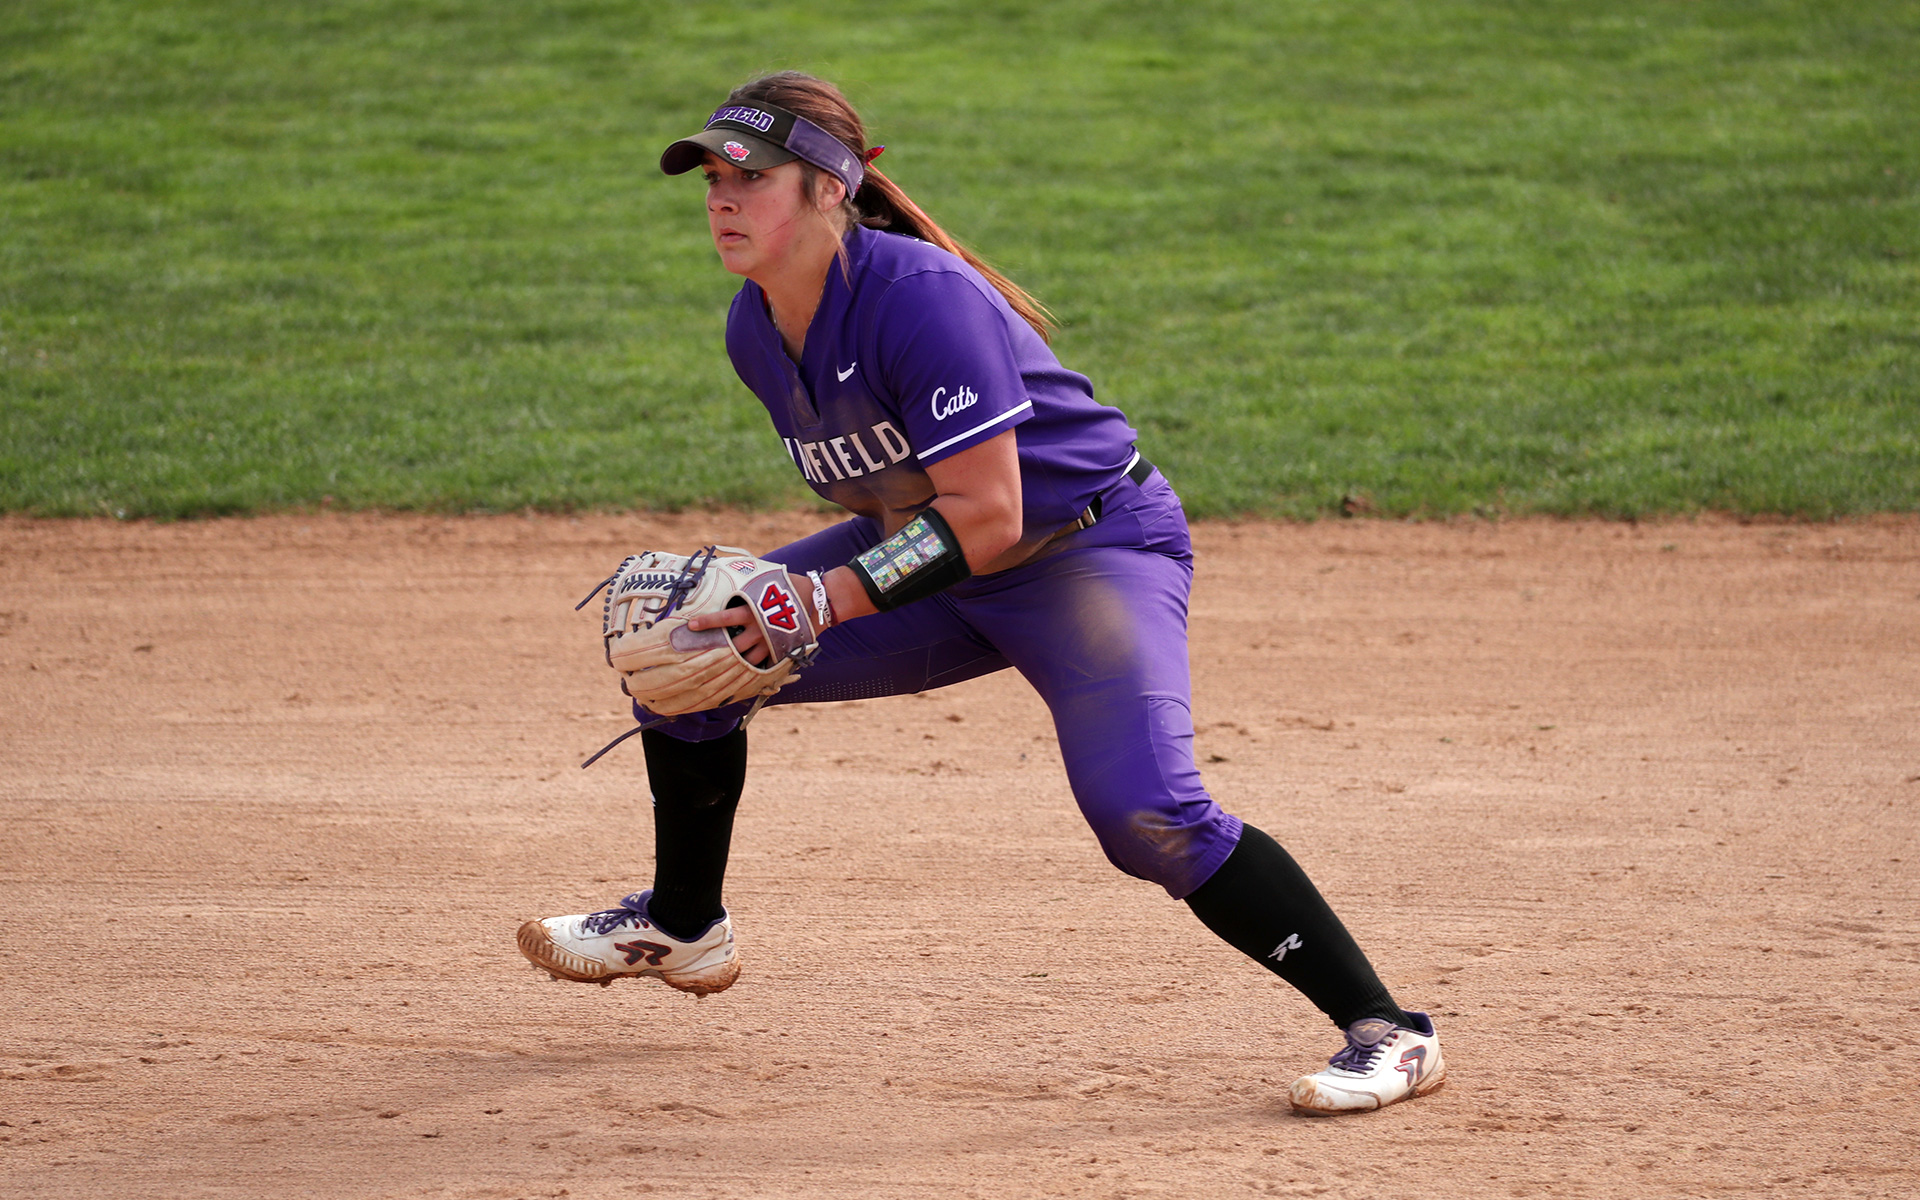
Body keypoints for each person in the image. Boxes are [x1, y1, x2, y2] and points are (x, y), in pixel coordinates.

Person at [516, 71, 1445, 1116]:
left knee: (1145, 814)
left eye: (752, 177)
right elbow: (906, 508)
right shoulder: (754, 326)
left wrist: (817, 602)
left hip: (1083, 556)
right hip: (934, 558)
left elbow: (992, 516)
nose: (723, 200)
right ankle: (684, 925)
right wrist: (784, 606)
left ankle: (1392, 1032)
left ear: (829, 189)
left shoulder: (922, 299)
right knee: (691, 651)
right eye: (711, 181)